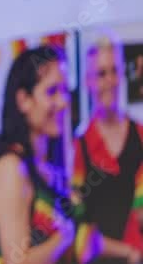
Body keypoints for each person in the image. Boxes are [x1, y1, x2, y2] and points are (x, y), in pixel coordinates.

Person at [0, 46, 92, 264]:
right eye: (51, 92)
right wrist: (63, 238)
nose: (63, 102)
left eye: (64, 91)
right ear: (24, 100)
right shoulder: (11, 168)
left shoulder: (47, 163)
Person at [73, 35, 143, 264]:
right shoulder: (79, 147)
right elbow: (78, 231)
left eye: (114, 71)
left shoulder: (140, 135)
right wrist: (127, 252)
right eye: (101, 73)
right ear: (88, 81)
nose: (110, 80)